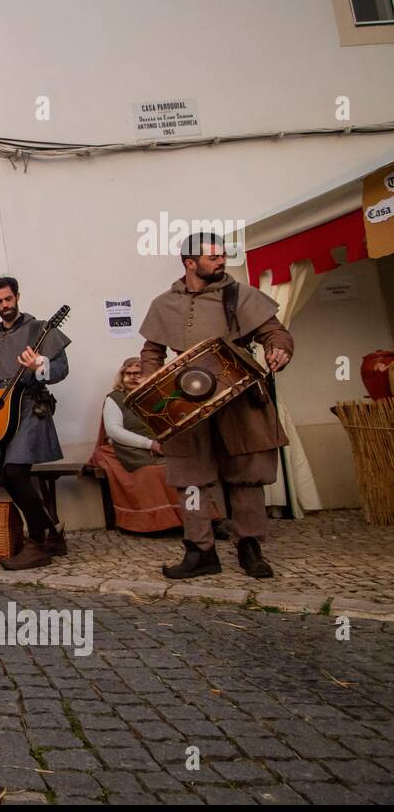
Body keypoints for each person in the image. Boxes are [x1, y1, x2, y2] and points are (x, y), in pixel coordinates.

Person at [139, 232, 294, 580]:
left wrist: (279, 349)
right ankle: (200, 550)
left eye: (223, 255)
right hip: (185, 406)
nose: (222, 261)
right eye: (213, 257)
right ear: (190, 263)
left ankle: (249, 547)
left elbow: (274, 332)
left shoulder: (239, 295)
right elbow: (152, 351)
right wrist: (150, 383)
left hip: (238, 398)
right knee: (190, 479)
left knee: (247, 476)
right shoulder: (164, 303)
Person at [0, 277, 71, 570]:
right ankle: (52, 531)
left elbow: (61, 369)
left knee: (15, 469)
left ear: (17, 297)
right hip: (1, 411)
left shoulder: (40, 330)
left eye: (9, 299)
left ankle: (36, 543)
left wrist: (41, 366)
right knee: (4, 471)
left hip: (30, 406)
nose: (5, 306)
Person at [88, 357, 184, 534]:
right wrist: (149, 444)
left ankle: (190, 520)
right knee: (151, 472)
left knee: (183, 468)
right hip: (129, 449)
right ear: (122, 376)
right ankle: (157, 524)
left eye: (138, 373)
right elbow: (114, 431)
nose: (132, 377)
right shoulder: (115, 398)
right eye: (128, 374)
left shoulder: (157, 397)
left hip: (162, 446)